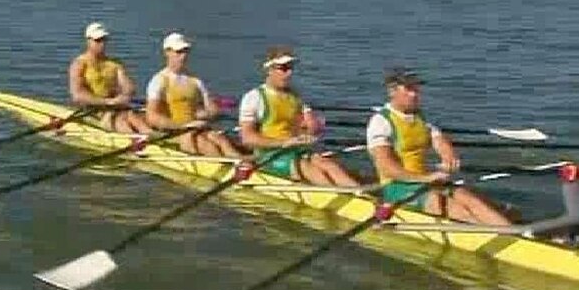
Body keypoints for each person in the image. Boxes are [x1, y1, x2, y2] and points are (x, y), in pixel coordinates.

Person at [366, 69, 512, 225]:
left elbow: (438, 139)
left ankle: (517, 234)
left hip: (426, 182)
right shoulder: (381, 122)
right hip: (397, 187)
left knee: (471, 199)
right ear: (392, 92)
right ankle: (504, 239)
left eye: (416, 89)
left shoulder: (419, 116)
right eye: (408, 89)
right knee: (460, 212)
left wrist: (449, 157)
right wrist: (427, 178)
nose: (414, 94)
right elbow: (388, 168)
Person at [238, 46, 359, 186]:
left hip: (296, 151)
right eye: (283, 68)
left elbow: (311, 125)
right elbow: (247, 138)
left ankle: (361, 195)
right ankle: (338, 198)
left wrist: (311, 131)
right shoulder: (254, 98)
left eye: (290, 68)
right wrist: (285, 143)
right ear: (269, 70)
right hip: (268, 156)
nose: (289, 73)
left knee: (329, 165)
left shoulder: (295, 96)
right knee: (311, 170)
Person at [144, 32, 243, 157]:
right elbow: (152, 117)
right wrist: (184, 125)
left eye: (186, 51)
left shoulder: (195, 81)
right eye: (179, 52)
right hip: (171, 132)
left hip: (196, 128)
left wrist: (202, 115)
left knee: (222, 140)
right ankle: (224, 166)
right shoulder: (159, 81)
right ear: (167, 52)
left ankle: (241, 161)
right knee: (206, 144)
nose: (183, 56)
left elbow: (213, 110)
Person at [68, 22, 151, 134]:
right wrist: (109, 102)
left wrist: (122, 97)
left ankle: (149, 136)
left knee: (133, 116)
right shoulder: (79, 64)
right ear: (88, 41)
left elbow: (129, 89)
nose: (101, 44)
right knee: (122, 122)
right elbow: (78, 95)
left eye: (103, 40)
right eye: (97, 41)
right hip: (91, 110)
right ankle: (137, 141)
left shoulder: (114, 64)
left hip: (114, 108)